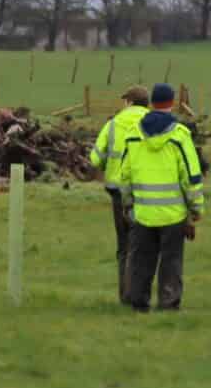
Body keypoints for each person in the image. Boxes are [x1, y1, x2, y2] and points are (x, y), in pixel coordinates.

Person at [120, 83, 204, 313]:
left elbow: (124, 175)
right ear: (171, 103)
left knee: (141, 261)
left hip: (143, 212)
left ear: (151, 103)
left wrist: (128, 205)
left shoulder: (133, 135)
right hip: (173, 214)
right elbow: (191, 176)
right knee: (171, 262)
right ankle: (168, 303)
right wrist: (196, 208)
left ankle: (138, 302)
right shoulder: (179, 136)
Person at [86, 85, 149, 303]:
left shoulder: (113, 125)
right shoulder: (153, 123)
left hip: (118, 193)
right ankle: (142, 293)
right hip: (147, 192)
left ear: (130, 102)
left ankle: (125, 294)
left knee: (124, 246)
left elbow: (95, 159)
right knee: (144, 245)